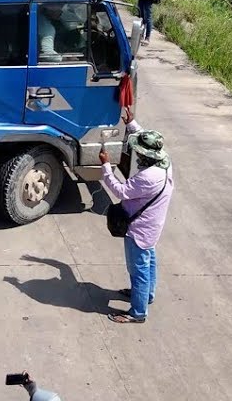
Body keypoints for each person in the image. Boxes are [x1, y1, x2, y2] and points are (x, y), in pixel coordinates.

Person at [99, 108, 173, 324]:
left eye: (139, 152)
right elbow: (147, 138)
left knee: (138, 269)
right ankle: (147, 296)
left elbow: (120, 191)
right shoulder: (165, 163)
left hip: (139, 229)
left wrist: (106, 167)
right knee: (148, 261)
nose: (137, 154)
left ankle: (137, 312)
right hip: (152, 226)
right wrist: (132, 124)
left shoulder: (148, 178)